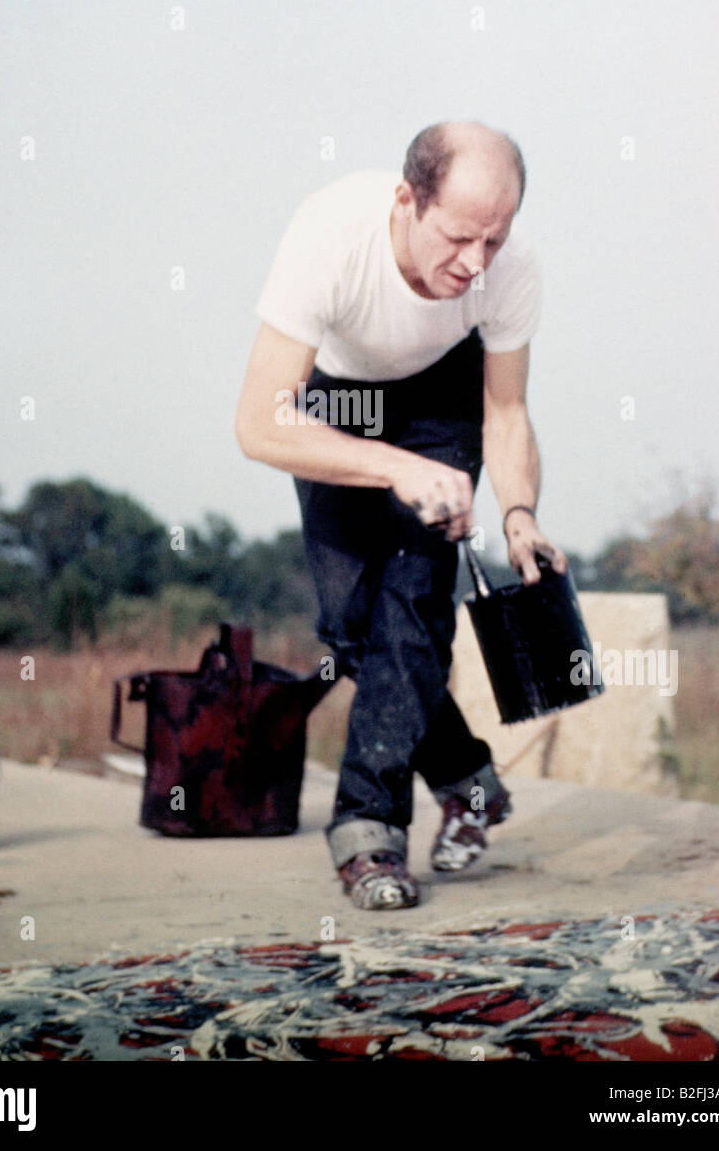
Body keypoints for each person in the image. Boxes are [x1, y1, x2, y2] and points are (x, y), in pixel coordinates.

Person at [235, 121, 567, 910]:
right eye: (457, 237)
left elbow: (507, 412)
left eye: (494, 238)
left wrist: (518, 511)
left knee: (414, 605)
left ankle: (368, 831)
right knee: (352, 627)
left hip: (441, 401)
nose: (475, 262)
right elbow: (258, 424)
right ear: (407, 200)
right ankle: (469, 782)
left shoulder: (508, 268)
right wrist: (394, 466)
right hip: (338, 399)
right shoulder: (328, 236)